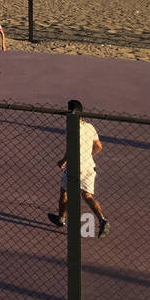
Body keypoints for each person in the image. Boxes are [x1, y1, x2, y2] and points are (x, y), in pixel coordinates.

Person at [48, 100, 108, 237]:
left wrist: (63, 161)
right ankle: (102, 219)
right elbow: (99, 146)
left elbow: (71, 148)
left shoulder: (71, 127)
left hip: (75, 166)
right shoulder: (90, 127)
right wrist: (87, 154)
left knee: (64, 191)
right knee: (87, 195)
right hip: (89, 166)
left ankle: (61, 219)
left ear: (71, 112)